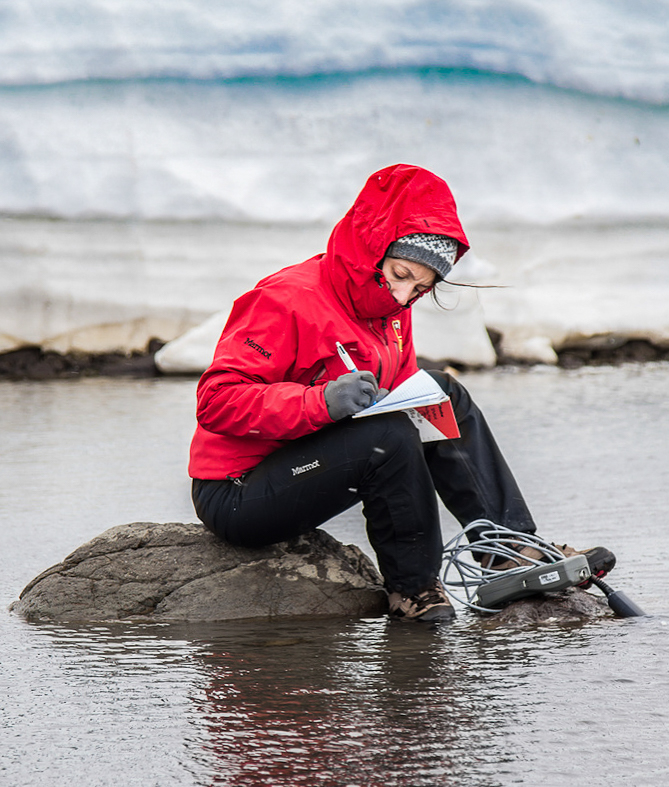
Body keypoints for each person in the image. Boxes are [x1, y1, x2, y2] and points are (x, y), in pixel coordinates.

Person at [188, 164, 613, 622]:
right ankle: (412, 589)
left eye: (421, 287)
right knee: (385, 437)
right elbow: (216, 400)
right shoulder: (285, 300)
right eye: (400, 273)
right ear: (372, 250)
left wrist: (409, 402)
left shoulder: (391, 310)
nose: (404, 294)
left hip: (308, 464)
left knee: (440, 393)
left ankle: (506, 549)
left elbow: (408, 407)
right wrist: (322, 401)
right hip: (236, 492)